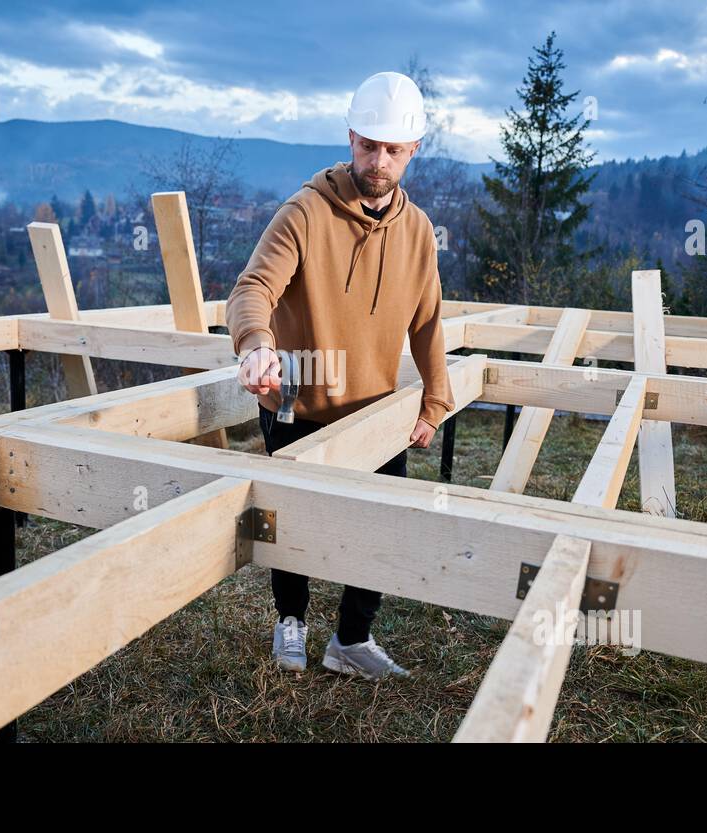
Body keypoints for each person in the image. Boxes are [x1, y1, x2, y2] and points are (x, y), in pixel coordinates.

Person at [225, 71, 453, 680]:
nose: (378, 161)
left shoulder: (419, 232)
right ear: (350, 137)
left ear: (413, 151)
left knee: (378, 529)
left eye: (393, 149)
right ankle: (291, 624)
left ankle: (351, 639)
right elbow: (253, 288)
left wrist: (434, 401)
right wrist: (255, 344)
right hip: (295, 401)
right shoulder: (304, 211)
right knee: (290, 527)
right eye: (367, 145)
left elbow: (429, 321)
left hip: (376, 411)